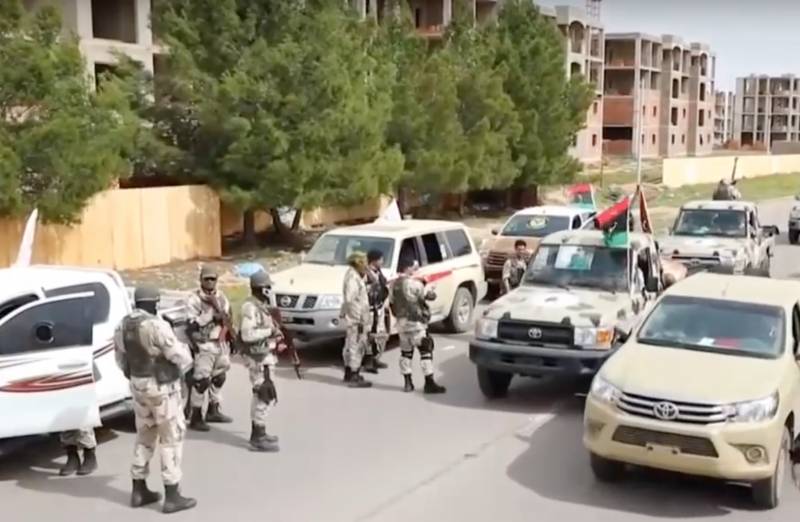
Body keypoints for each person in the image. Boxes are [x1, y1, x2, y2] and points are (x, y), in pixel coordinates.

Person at [114, 285, 196, 514]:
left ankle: (138, 489)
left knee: (145, 434)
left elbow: (120, 360)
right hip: (162, 388)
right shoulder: (156, 325)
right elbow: (177, 355)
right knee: (172, 437)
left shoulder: (122, 325)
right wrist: (187, 361)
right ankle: (172, 494)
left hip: (138, 386)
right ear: (153, 302)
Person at [186, 265, 233, 431]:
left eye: (213, 278)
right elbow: (191, 324)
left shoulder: (222, 298)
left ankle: (214, 409)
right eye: (207, 279)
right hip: (204, 343)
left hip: (219, 342)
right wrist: (210, 316)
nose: (210, 282)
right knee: (201, 381)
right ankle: (196, 416)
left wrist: (229, 337)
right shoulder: (194, 299)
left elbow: (228, 318)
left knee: (219, 377)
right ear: (201, 280)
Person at [238, 271, 281, 452]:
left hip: (264, 355)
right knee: (263, 394)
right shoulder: (250, 308)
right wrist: (269, 332)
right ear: (261, 289)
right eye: (268, 287)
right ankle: (257, 437)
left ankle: (260, 431)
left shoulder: (260, 306)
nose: (270, 290)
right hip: (258, 358)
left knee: (263, 395)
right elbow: (247, 335)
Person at [390, 258, 446, 394]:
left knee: (406, 353)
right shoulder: (414, 284)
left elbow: (391, 303)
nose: (415, 270)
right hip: (417, 324)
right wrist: (431, 288)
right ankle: (429, 382)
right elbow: (429, 296)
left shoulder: (394, 284)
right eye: (414, 268)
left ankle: (407, 383)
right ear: (407, 268)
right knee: (425, 351)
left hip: (401, 324)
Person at [340, 251, 372, 388]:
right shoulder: (353, 278)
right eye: (364, 262)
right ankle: (354, 374)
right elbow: (349, 298)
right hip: (357, 318)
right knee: (357, 346)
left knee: (350, 344)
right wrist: (356, 315)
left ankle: (349, 371)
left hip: (354, 316)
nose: (366, 266)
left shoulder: (353, 275)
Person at [363, 249, 390, 374]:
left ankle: (375, 358)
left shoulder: (378, 271)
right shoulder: (366, 273)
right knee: (369, 334)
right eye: (381, 259)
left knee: (378, 333)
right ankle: (368, 361)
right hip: (369, 309)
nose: (382, 261)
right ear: (374, 260)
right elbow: (363, 290)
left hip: (378, 307)